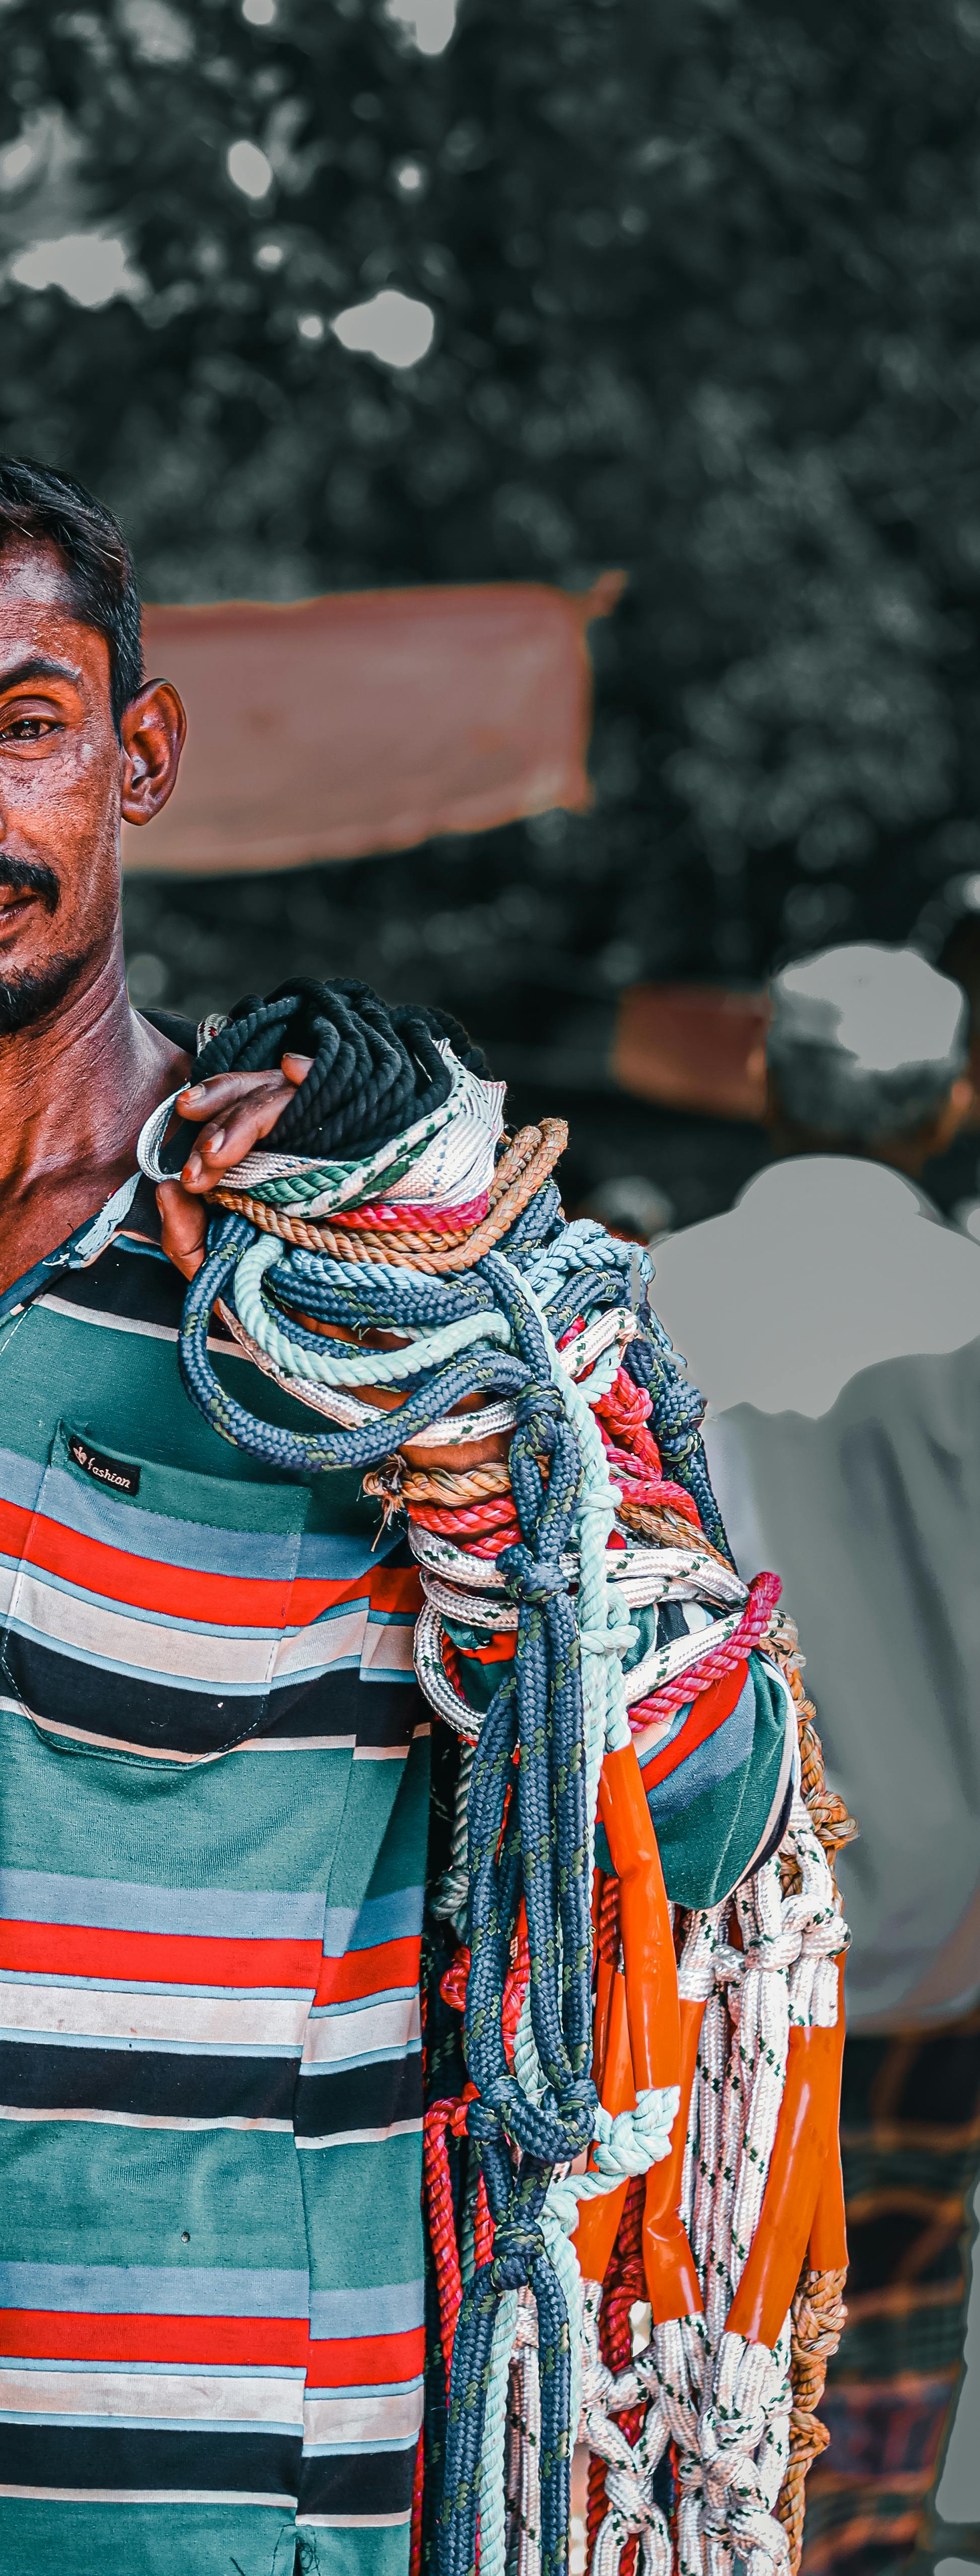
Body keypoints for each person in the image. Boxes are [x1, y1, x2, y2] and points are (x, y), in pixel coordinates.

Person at [0, 447, 790, 2576]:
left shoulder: (352, 1277)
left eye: (22, 727)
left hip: (264, 2491)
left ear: (137, 756)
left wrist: (447, 1406)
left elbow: (694, 1817)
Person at [649, 941, 980, 2576]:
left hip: (712, 1912)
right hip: (947, 1932)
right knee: (894, 2343)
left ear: (769, 1084)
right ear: (949, 1108)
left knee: (711, 2304)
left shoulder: (644, 1296)